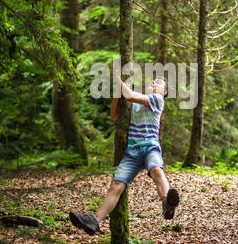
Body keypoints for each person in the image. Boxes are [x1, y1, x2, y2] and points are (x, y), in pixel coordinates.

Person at [69, 75, 180, 235]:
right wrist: (117, 93)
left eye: (159, 83)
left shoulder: (157, 100)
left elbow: (129, 95)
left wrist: (117, 78)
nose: (153, 82)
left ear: (164, 92)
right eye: (153, 80)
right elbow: (114, 115)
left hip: (150, 147)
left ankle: (167, 204)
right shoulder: (137, 103)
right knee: (116, 185)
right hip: (133, 151)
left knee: (156, 170)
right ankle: (94, 221)